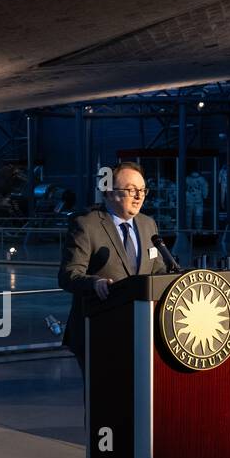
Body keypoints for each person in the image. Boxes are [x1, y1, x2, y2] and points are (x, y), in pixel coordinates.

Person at [57, 161, 177, 376]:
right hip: (98, 330)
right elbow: (69, 275)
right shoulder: (86, 224)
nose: (139, 196)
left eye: (142, 190)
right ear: (110, 193)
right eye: (131, 190)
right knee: (104, 404)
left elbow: (157, 271)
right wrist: (95, 283)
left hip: (141, 331)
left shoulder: (148, 224)